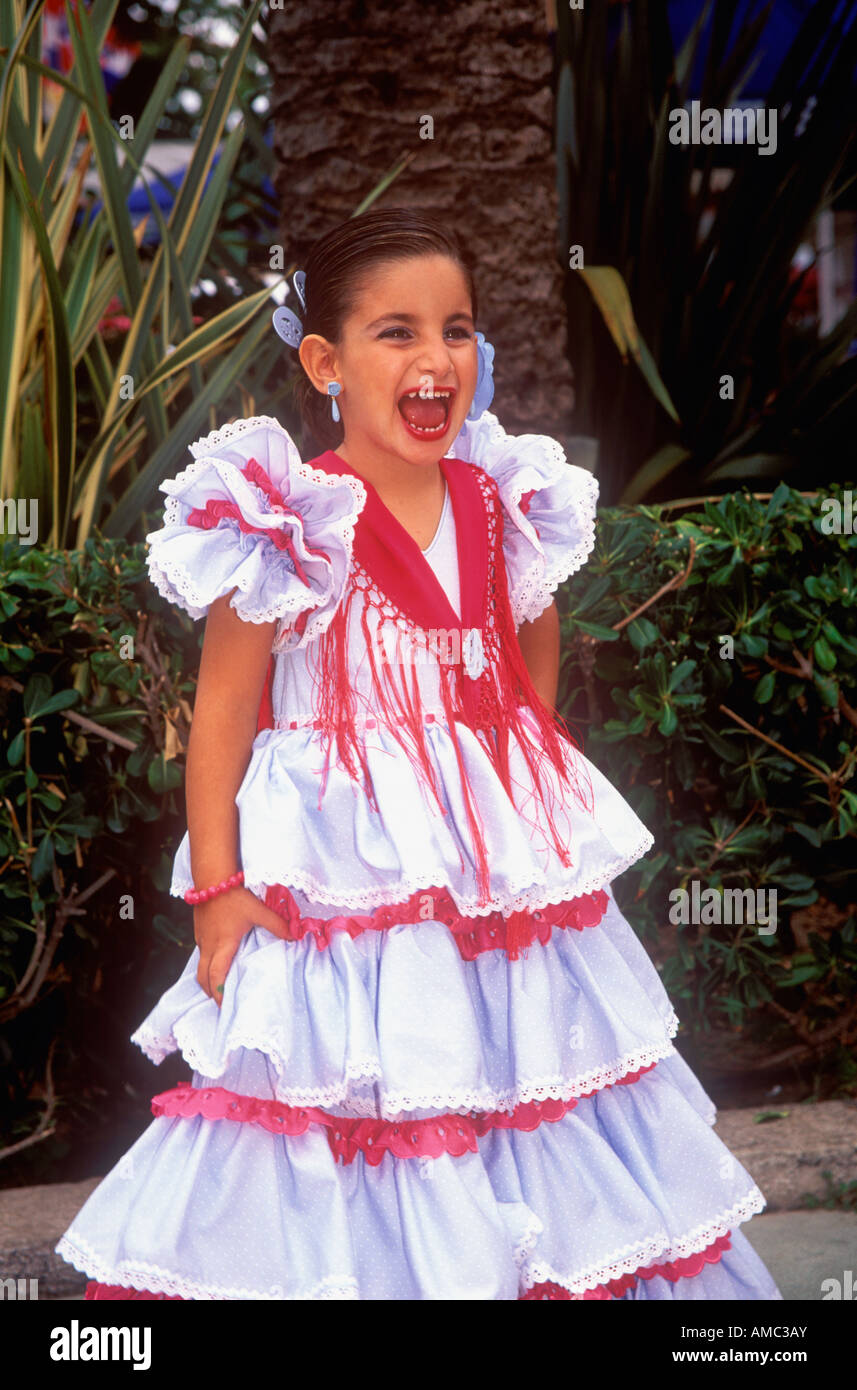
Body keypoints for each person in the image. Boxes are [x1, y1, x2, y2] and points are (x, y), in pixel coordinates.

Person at [55, 206, 782, 1301]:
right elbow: (223, 711)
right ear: (324, 361)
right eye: (395, 332)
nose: (435, 358)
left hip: (493, 885)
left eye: (455, 329)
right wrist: (216, 891)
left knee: (524, 1077)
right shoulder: (284, 520)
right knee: (353, 1098)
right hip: (340, 895)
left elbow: (526, 637)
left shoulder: (499, 500)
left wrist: (503, 777)